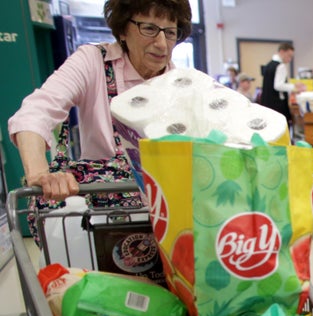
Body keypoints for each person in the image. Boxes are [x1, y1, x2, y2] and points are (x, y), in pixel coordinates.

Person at [8, 0, 192, 202]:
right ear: (122, 30)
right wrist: (40, 173)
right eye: (149, 29)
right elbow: (35, 113)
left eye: (170, 33)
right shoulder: (93, 62)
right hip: (105, 214)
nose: (161, 44)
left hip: (169, 209)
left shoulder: (184, 85)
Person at [259, 42, 305, 131]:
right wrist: (293, 88)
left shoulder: (269, 65)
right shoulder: (280, 66)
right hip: (277, 104)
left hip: (266, 103)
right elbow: (278, 85)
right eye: (289, 56)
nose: (290, 59)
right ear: (282, 52)